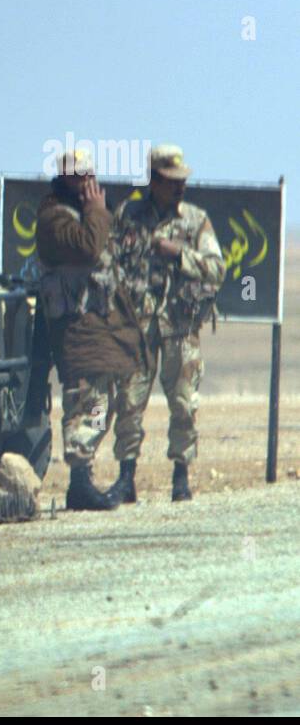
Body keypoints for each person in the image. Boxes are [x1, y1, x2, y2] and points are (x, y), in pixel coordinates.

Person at [108, 145, 225, 502]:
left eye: (183, 181)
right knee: (128, 401)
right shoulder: (128, 214)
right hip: (137, 328)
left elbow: (217, 269)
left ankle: (180, 476)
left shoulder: (194, 219)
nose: (181, 188)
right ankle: (126, 477)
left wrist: (181, 255)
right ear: (154, 181)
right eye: (173, 181)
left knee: (184, 403)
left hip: (180, 325)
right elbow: (107, 263)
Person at [35, 148, 143, 510]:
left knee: (103, 405)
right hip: (77, 333)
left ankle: (88, 479)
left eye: (89, 174)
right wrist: (98, 210)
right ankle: (78, 484)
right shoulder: (54, 217)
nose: (87, 182)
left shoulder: (83, 214)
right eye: (79, 175)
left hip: (100, 332)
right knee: (85, 403)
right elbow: (87, 249)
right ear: (65, 177)